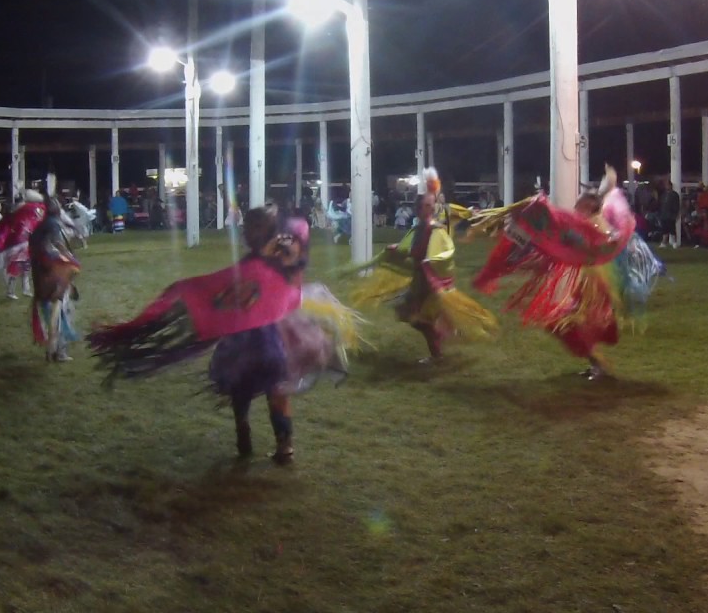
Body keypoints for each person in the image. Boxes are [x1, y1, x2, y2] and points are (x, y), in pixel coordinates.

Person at [89, 208, 358, 463]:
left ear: (249, 236)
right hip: (272, 346)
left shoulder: (245, 269)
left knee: (239, 391)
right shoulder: (284, 264)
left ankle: (243, 434)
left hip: (239, 346)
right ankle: (284, 446)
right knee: (277, 392)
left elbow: (208, 294)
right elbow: (299, 241)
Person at [469, 166, 666, 380]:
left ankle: (598, 364)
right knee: (567, 322)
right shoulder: (581, 223)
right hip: (583, 280)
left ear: (590, 205)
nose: (576, 202)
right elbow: (561, 238)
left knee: (569, 322)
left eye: (581, 199)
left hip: (591, 283)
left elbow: (586, 244)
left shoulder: (594, 226)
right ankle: (597, 363)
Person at [348, 168, 497, 363]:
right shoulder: (419, 228)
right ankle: (443, 339)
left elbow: (445, 250)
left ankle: (442, 346)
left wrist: (476, 214)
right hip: (421, 281)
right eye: (428, 205)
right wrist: (398, 249)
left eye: (432, 204)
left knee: (418, 317)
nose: (432, 207)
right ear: (419, 209)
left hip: (431, 281)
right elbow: (413, 249)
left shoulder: (436, 227)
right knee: (415, 316)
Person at [30, 175, 81, 363]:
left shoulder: (38, 226)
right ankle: (59, 351)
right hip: (53, 274)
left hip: (39, 275)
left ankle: (52, 348)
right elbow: (58, 245)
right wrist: (71, 259)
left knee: (50, 313)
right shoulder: (53, 224)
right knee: (62, 311)